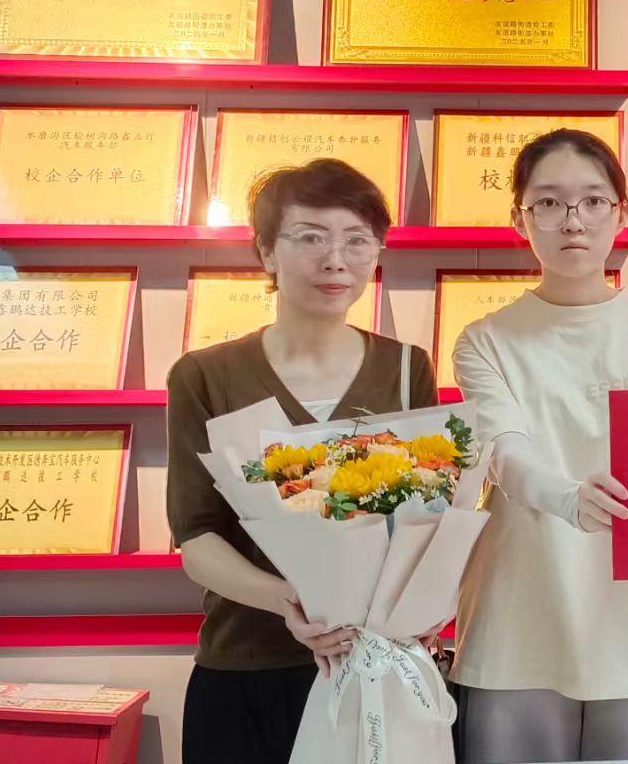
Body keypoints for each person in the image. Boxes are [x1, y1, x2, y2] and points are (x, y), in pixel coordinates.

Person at [166, 158, 438, 764]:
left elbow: (424, 518)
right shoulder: (205, 375)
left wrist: (426, 601)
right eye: (311, 237)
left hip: (372, 665)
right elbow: (197, 537)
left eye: (357, 240)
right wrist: (286, 600)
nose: (335, 260)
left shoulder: (404, 368)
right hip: (247, 667)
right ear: (267, 252)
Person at [450, 129, 628, 764]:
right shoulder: (484, 339)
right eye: (549, 203)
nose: (573, 221)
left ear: (622, 212)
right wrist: (570, 498)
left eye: (593, 201)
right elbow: (504, 451)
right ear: (520, 218)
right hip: (517, 614)